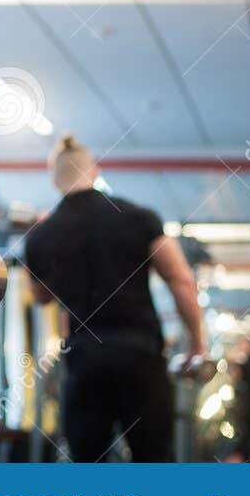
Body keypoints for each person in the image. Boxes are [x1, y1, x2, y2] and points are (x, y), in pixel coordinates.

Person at [22, 134, 208, 462]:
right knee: (154, 464)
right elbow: (181, 280)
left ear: (54, 180)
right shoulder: (139, 217)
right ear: (93, 170)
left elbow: (41, 297)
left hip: (84, 362)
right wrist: (197, 345)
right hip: (140, 356)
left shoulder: (40, 236)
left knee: (88, 465)